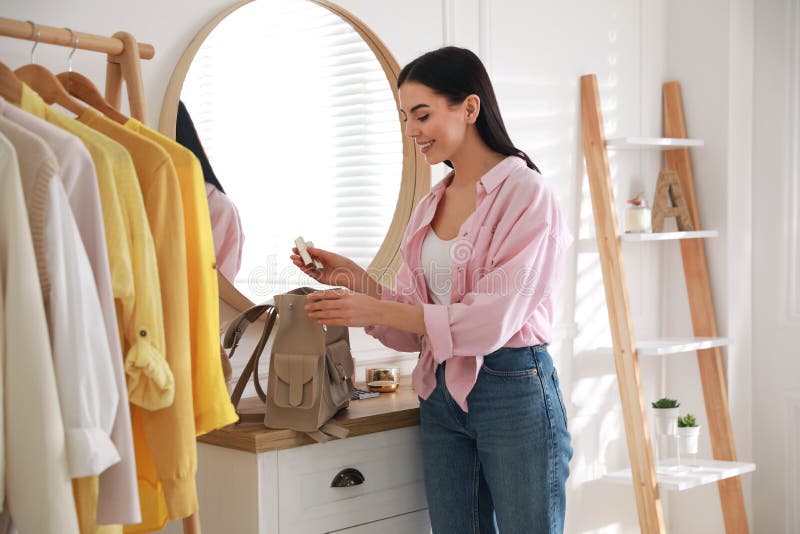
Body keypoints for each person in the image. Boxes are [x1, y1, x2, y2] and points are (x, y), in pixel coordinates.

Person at [290, 46, 572, 534]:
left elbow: (489, 322)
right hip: (438, 392)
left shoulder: (527, 194)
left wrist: (373, 307)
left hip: (512, 387)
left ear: (469, 107)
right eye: (405, 117)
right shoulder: (431, 204)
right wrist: (355, 281)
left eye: (422, 114)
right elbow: (415, 326)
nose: (411, 130)